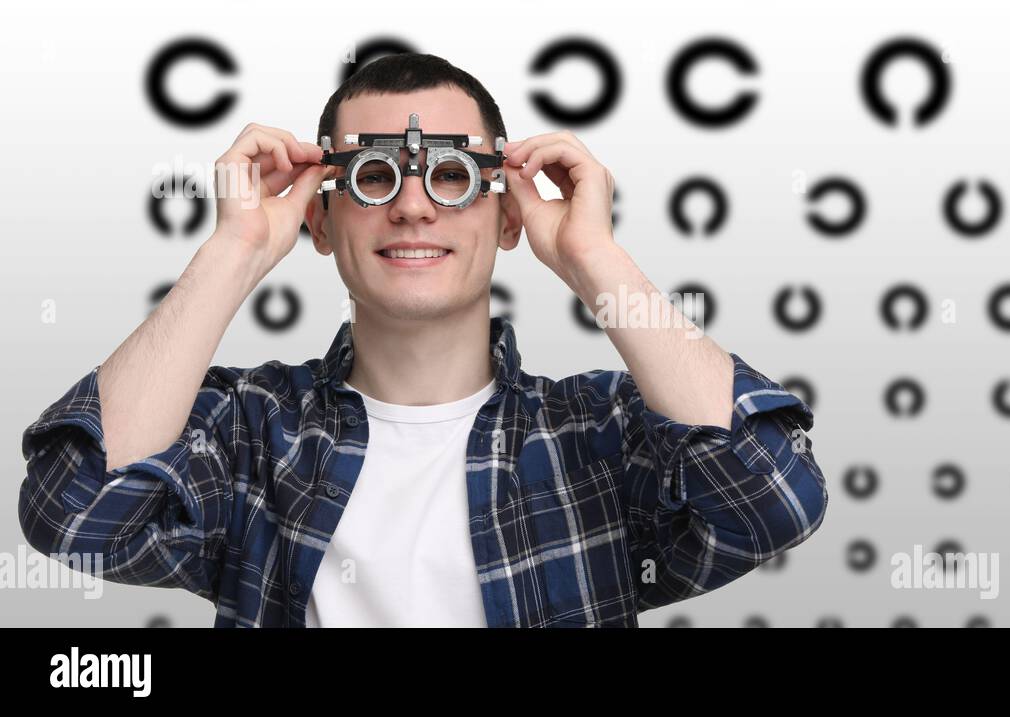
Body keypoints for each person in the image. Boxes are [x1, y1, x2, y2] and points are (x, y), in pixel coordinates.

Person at [18, 53, 828, 627]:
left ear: (508, 213)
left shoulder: (599, 435)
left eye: (451, 175)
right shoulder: (250, 432)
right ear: (323, 221)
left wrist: (593, 256)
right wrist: (232, 253)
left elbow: (775, 501)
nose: (412, 207)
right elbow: (75, 513)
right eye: (373, 177)